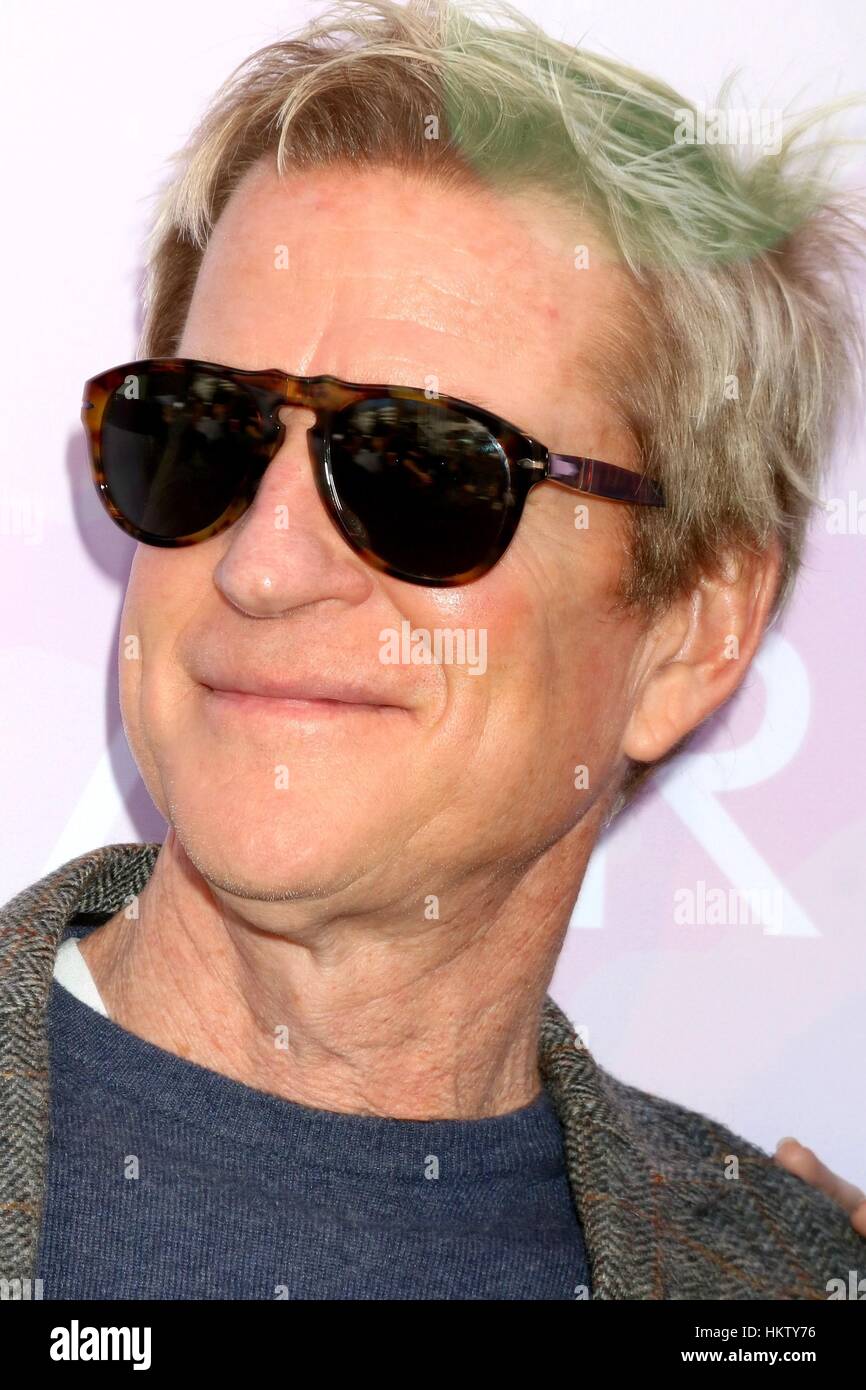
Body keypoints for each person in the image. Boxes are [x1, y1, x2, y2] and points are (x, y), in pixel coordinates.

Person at [1, 0, 863, 1301]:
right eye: (208, 433)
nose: (260, 563)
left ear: (691, 627)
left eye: (420, 472)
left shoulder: (779, 1292)